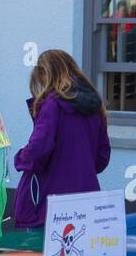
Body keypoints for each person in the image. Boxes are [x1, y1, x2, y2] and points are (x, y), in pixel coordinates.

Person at [12, 49, 111, 230]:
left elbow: (38, 149)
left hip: (50, 204)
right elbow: (102, 158)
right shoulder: (96, 106)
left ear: (45, 75)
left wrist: (20, 158)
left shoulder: (53, 103)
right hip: (86, 200)